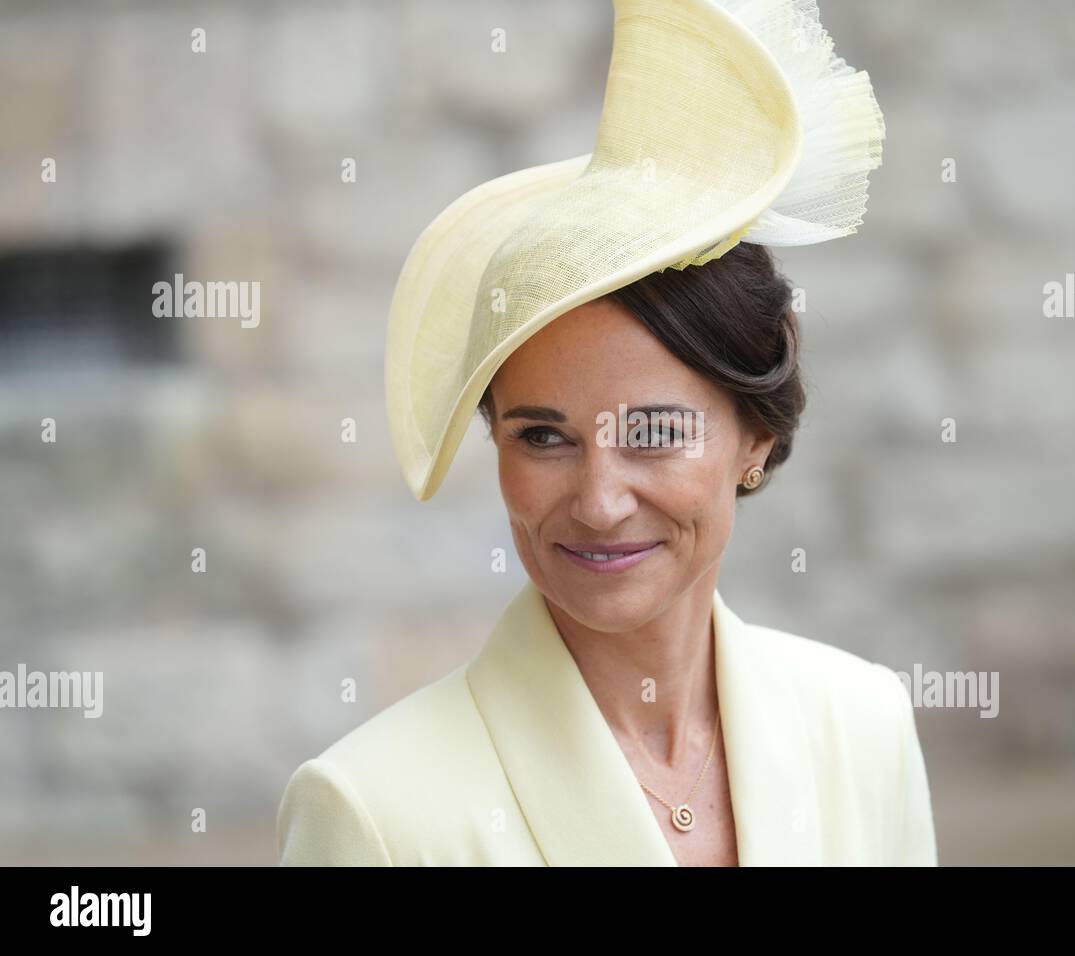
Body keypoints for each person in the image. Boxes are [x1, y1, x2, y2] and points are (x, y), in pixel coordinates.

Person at [277, 0, 937, 866]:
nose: (597, 502)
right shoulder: (374, 812)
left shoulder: (863, 725)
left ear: (756, 439)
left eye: (655, 431)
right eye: (543, 437)